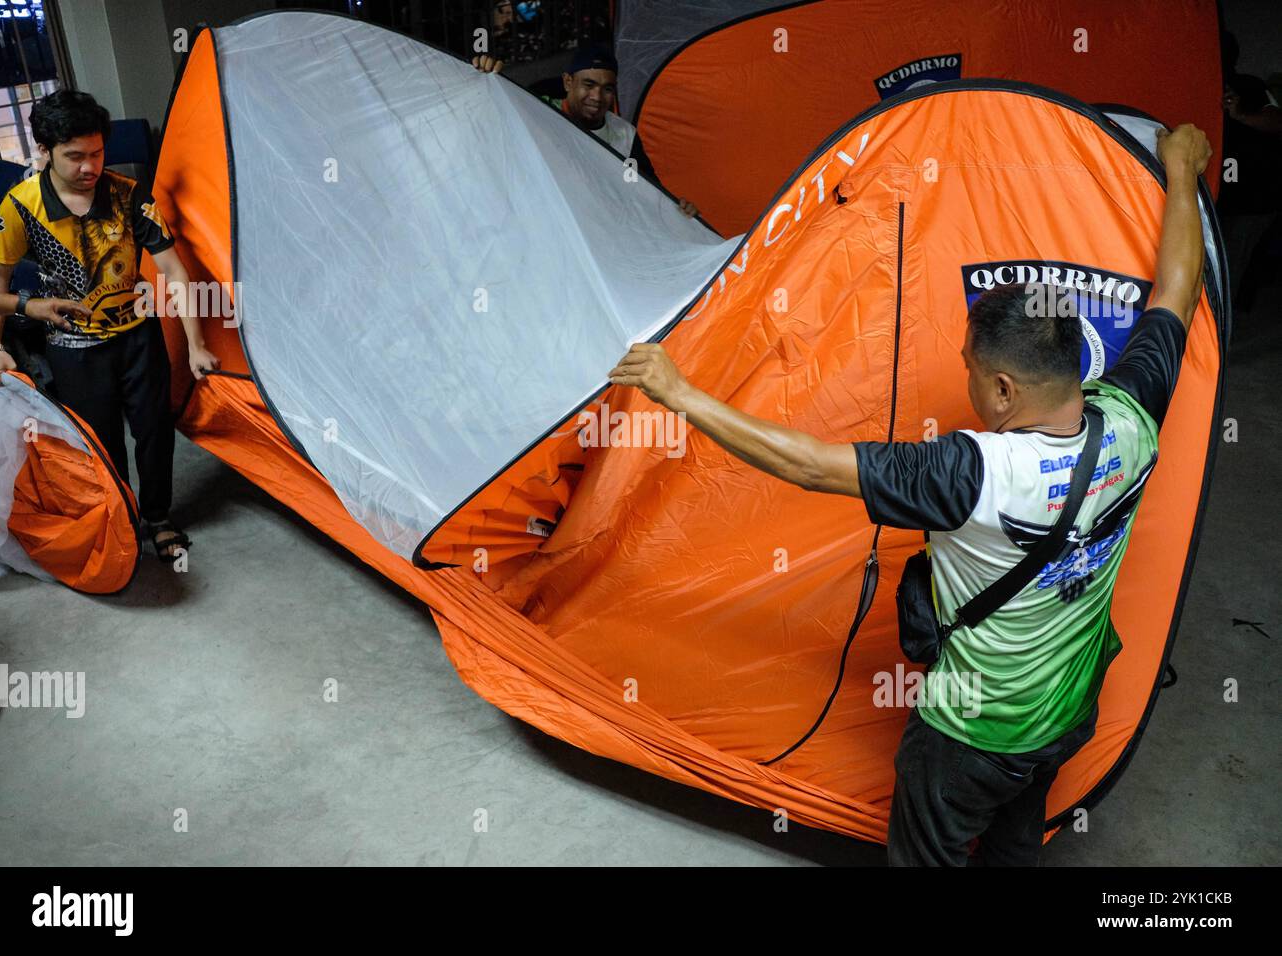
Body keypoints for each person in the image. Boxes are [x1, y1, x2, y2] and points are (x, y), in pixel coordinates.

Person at [608, 123, 1212, 866]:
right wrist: (1181, 174)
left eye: (969, 370)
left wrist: (678, 393)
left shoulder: (975, 474)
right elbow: (1176, 292)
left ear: (1003, 388)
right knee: (1015, 845)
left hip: (972, 733)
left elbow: (810, 465)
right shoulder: (1132, 415)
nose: (966, 383)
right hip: (1068, 709)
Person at [0, 89, 220, 561]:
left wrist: (195, 343)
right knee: (100, 441)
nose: (89, 166)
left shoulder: (129, 194)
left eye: (96, 153)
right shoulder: (21, 204)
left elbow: (174, 270)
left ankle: (158, 517)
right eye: (75, 157)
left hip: (138, 338)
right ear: (45, 151)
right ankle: (121, 518)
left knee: (155, 431)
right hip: (73, 349)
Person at [472, 46, 697, 218]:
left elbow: (645, 190)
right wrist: (484, 77)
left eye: (607, 89)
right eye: (588, 85)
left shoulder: (624, 136)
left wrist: (679, 211)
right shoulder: (536, 108)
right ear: (568, 82)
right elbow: (489, 122)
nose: (597, 97)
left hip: (593, 227)